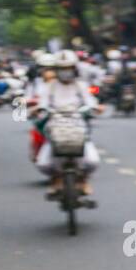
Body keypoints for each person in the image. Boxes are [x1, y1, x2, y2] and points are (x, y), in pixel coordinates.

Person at [34, 50, 101, 199]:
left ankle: (83, 179)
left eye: (68, 68)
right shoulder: (50, 86)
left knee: (92, 162)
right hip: (55, 124)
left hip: (78, 123)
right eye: (62, 69)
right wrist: (39, 109)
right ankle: (56, 178)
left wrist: (95, 107)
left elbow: (90, 101)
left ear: (74, 68)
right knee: (43, 164)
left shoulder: (81, 85)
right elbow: (42, 103)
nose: (65, 72)